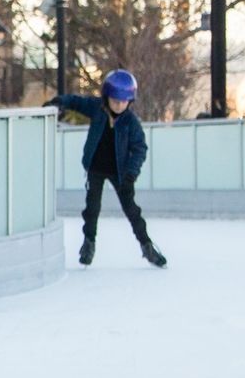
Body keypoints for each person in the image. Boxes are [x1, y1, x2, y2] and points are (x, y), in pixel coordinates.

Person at [52, 69, 164, 268]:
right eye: (115, 100)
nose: (119, 105)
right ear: (107, 97)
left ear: (130, 101)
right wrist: (60, 101)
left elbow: (140, 148)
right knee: (92, 208)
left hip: (120, 173)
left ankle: (147, 246)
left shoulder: (131, 122)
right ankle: (88, 244)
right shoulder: (97, 108)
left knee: (132, 210)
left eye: (124, 101)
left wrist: (131, 174)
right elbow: (77, 102)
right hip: (96, 167)